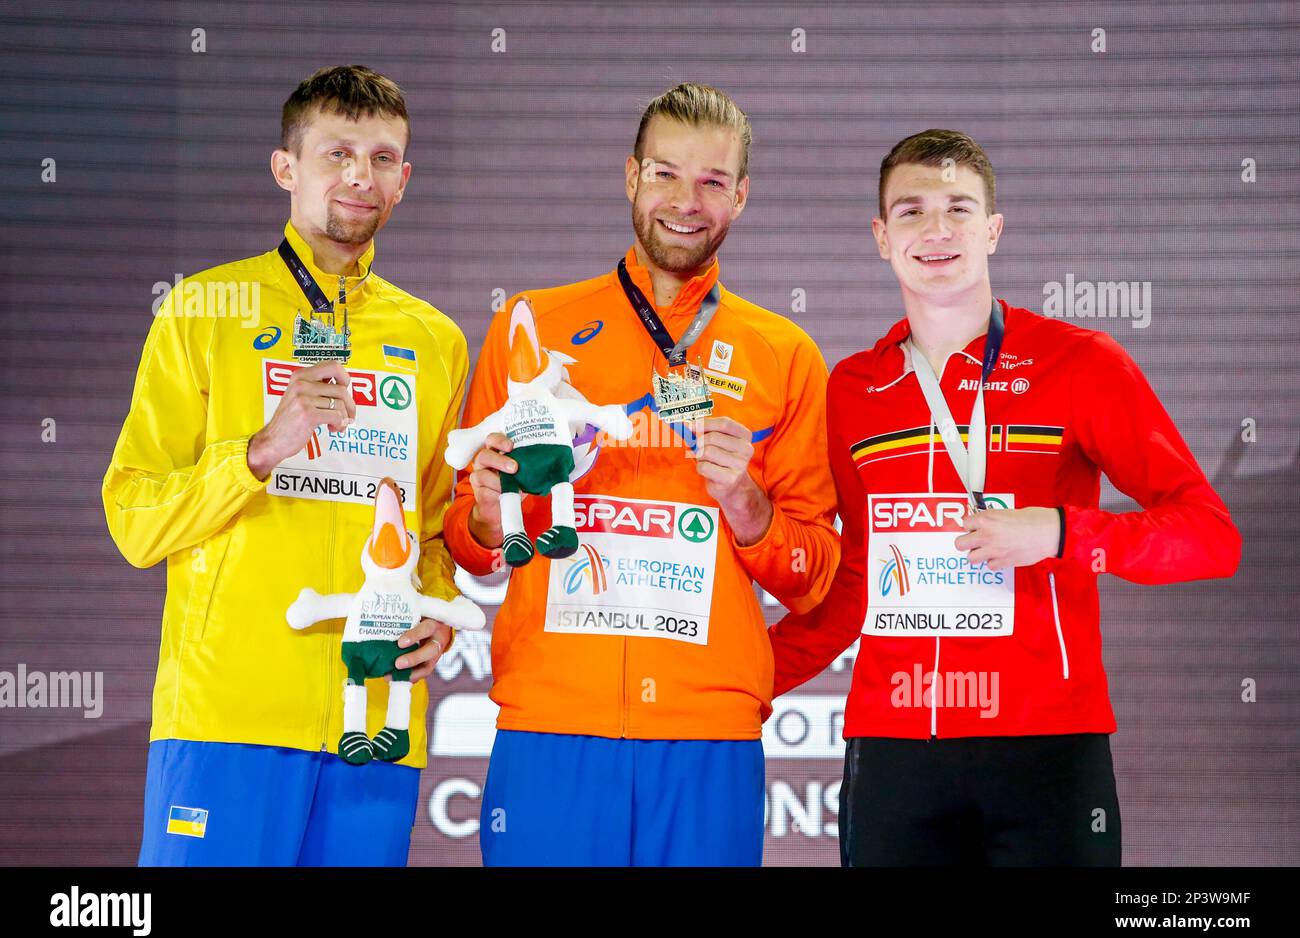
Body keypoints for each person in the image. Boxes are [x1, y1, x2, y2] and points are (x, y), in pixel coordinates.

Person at [771, 129, 1242, 866]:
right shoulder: (855, 390)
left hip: (1048, 746)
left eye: (958, 208)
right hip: (896, 751)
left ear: (992, 229)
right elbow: (857, 581)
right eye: (911, 211)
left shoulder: (1082, 364)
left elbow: (1210, 537)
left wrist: (1061, 531)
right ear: (880, 236)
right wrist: (742, 678)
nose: (935, 230)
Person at [443, 82, 840, 866]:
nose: (685, 201)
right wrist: (490, 517)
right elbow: (467, 537)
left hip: (706, 737)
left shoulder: (784, 354)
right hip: (551, 726)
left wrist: (749, 506)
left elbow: (815, 574)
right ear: (630, 177)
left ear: (742, 195)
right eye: (665, 173)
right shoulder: (531, 327)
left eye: (712, 181)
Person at [103, 65, 469, 866]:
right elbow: (134, 517)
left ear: (403, 181)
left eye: (380, 159)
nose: (359, 177)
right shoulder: (202, 310)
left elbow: (435, 530)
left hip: (375, 723)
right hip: (227, 720)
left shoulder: (435, 340)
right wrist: (260, 453)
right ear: (286, 169)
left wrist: (436, 608)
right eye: (337, 153)